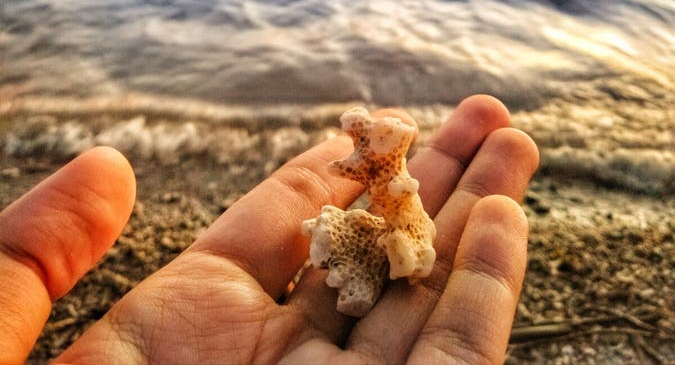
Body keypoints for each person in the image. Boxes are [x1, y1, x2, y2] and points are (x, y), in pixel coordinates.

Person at [0, 95, 539, 364]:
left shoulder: (389, 196)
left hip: (397, 235)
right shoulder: (372, 194)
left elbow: (395, 204)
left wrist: (397, 226)